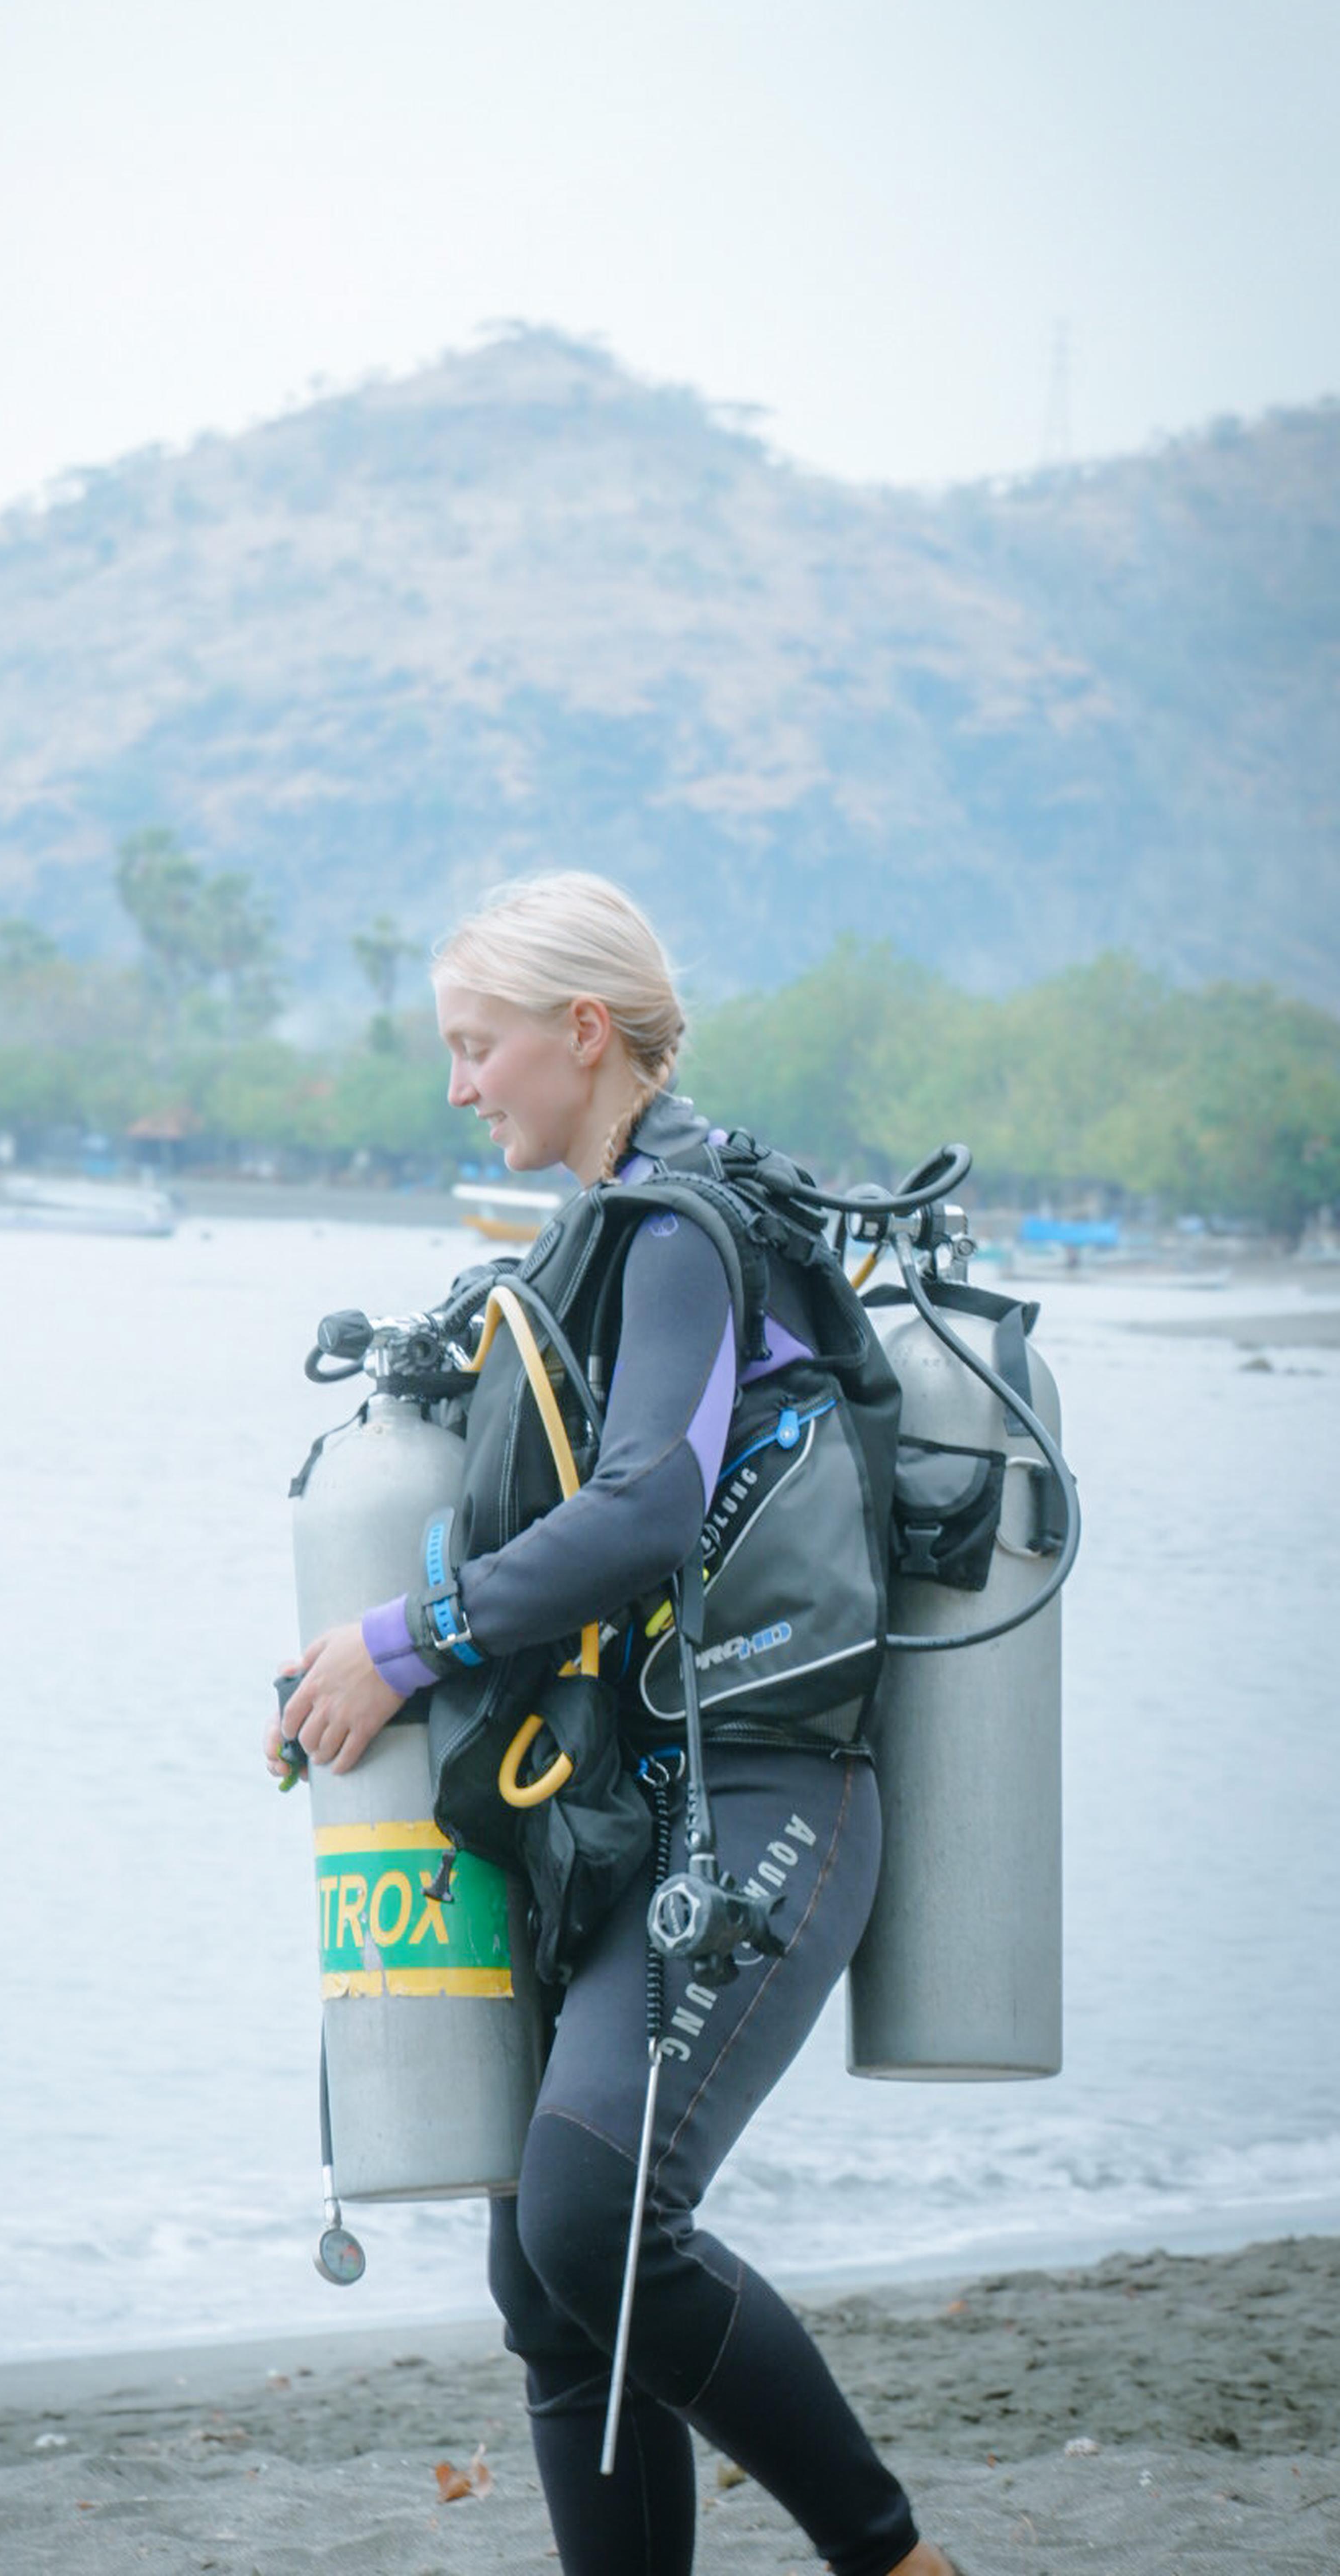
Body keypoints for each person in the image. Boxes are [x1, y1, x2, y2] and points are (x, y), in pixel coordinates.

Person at [269, 872, 962, 2576]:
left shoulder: (677, 1239)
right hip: (632, 1822)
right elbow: (556, 1550)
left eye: (475, 1045)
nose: (458, 1086)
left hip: (766, 1799)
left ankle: (895, 2564)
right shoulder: (602, 1243)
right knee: (553, 2279)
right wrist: (355, 1671)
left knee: (594, 2223)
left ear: (585, 1036)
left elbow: (649, 1512)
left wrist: (399, 1638)